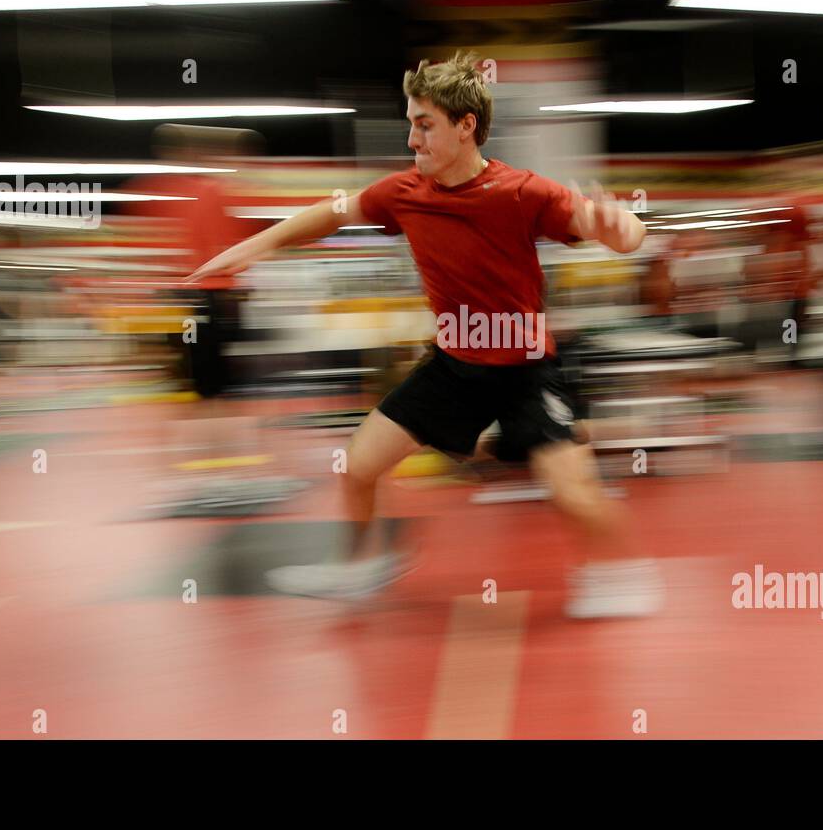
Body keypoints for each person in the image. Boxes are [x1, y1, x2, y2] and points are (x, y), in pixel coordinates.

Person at [185, 51, 663, 618]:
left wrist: (622, 231)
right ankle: (362, 567)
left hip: (524, 370)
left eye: (424, 124)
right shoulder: (404, 192)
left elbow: (612, 228)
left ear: (466, 127)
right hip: (453, 367)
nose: (412, 139)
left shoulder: (523, 192)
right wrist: (251, 247)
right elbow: (331, 212)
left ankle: (622, 574)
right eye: (410, 123)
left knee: (572, 491)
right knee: (357, 466)